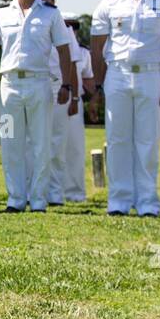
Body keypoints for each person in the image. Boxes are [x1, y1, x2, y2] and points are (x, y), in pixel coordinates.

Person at [89, 0, 160, 217]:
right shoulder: (108, 4)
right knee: (117, 139)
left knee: (148, 141)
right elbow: (96, 49)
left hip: (151, 75)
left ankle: (148, 202)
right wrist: (97, 87)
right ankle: (118, 201)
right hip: (117, 74)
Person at [0, 0, 74, 213]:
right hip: (9, 86)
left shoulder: (52, 14)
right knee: (10, 142)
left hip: (39, 84)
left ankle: (39, 200)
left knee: (41, 143)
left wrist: (66, 84)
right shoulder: (0, 14)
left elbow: (64, 51)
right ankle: (15, 199)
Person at [36, 0, 80, 206]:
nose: (43, 0)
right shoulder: (31, 20)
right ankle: (32, 190)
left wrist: (69, 89)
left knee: (56, 143)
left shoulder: (62, 24)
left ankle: (54, 193)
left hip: (57, 86)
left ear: (54, 0)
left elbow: (71, 61)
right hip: (34, 84)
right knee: (30, 142)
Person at [61, 13, 93, 202]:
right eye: (66, 26)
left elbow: (89, 79)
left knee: (74, 148)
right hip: (53, 97)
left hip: (74, 101)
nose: (70, 30)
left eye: (73, 27)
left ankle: (74, 192)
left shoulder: (83, 53)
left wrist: (95, 97)